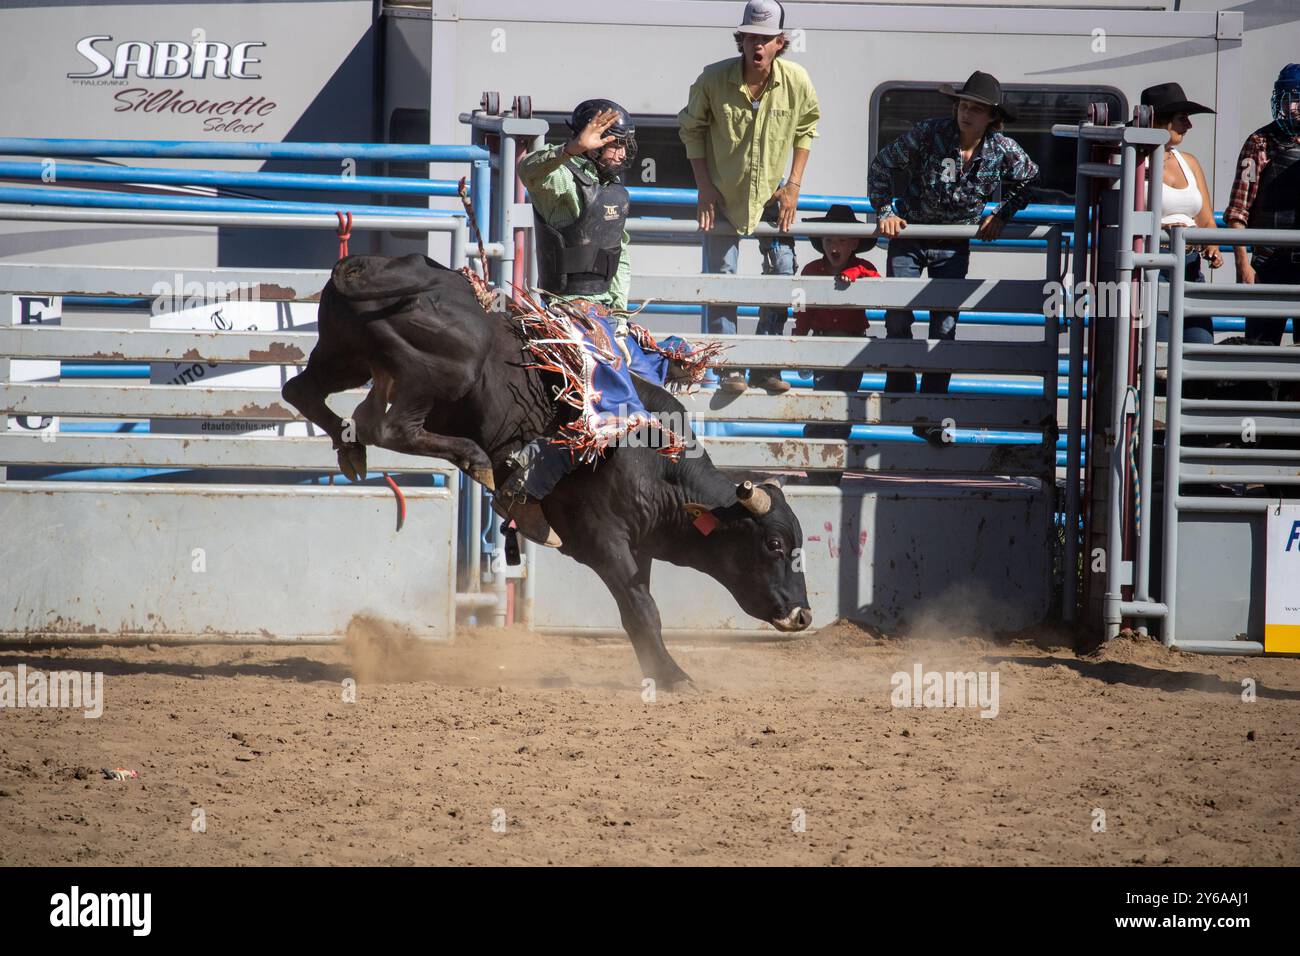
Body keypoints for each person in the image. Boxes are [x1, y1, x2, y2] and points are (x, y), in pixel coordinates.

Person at [678, 0, 821, 394]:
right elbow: (691, 130)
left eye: (766, 39)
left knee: (782, 270)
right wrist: (704, 186)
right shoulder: (712, 78)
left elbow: (806, 128)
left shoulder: (797, 80)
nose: (757, 46)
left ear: (780, 43)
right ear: (741, 39)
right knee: (722, 280)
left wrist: (793, 185)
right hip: (723, 194)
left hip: (774, 195)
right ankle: (728, 368)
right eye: (751, 38)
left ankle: (765, 363)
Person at [868, 70, 1039, 398]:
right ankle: (900, 392)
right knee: (898, 316)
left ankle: (931, 405)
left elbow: (1030, 178)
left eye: (975, 108)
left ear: (992, 116)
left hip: (953, 244)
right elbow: (882, 165)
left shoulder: (1001, 149)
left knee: (944, 328)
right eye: (962, 105)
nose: (966, 112)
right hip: (911, 236)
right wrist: (885, 211)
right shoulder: (930, 133)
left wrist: (1003, 214)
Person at [793, 204, 879, 484]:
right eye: (829, 239)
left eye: (841, 239)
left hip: (854, 348)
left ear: (854, 243)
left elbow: (879, 283)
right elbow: (800, 306)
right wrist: (799, 338)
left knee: (845, 410)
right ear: (821, 243)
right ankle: (817, 464)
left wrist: (855, 276)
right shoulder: (809, 270)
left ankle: (833, 472)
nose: (835, 245)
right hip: (822, 346)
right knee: (823, 404)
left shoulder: (864, 268)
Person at [1138, 83, 1223, 344]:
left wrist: (1213, 246)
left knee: (1200, 345)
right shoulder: (1136, 162)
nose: (1189, 125)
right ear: (1160, 122)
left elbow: (1207, 219)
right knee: (1159, 351)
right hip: (1153, 263)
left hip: (1190, 263)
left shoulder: (1190, 162)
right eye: (1182, 118)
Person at [1224, 63, 1300, 345]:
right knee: (1260, 346)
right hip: (1270, 262)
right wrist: (1243, 264)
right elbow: (1238, 210)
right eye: (1292, 99)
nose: (1296, 107)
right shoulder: (1260, 141)